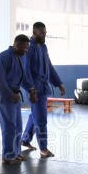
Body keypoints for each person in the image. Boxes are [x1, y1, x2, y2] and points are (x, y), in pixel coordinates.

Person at [21, 22, 66, 158]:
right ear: (34, 33)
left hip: (44, 87)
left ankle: (25, 139)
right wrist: (31, 89)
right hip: (35, 89)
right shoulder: (29, 48)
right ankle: (43, 149)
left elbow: (49, 67)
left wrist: (58, 83)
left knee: (34, 115)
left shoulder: (43, 47)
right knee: (40, 118)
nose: (44, 35)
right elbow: (26, 70)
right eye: (41, 33)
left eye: (45, 32)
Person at [0, 35, 37, 164]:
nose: (26, 51)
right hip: (5, 97)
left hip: (16, 97)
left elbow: (22, 78)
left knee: (18, 126)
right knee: (8, 127)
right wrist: (10, 94)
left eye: (27, 48)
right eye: (24, 48)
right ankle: (8, 156)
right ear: (16, 45)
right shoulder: (3, 57)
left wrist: (31, 89)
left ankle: (16, 152)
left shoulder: (22, 57)